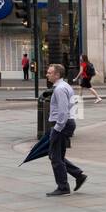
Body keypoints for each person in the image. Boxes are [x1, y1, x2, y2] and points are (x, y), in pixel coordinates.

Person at [44, 64, 87, 197]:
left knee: (55, 157)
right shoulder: (65, 86)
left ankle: (63, 187)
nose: (47, 74)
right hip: (66, 123)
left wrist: (57, 128)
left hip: (62, 124)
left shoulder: (60, 89)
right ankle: (78, 175)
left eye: (50, 72)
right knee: (57, 155)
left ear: (57, 75)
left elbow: (63, 111)